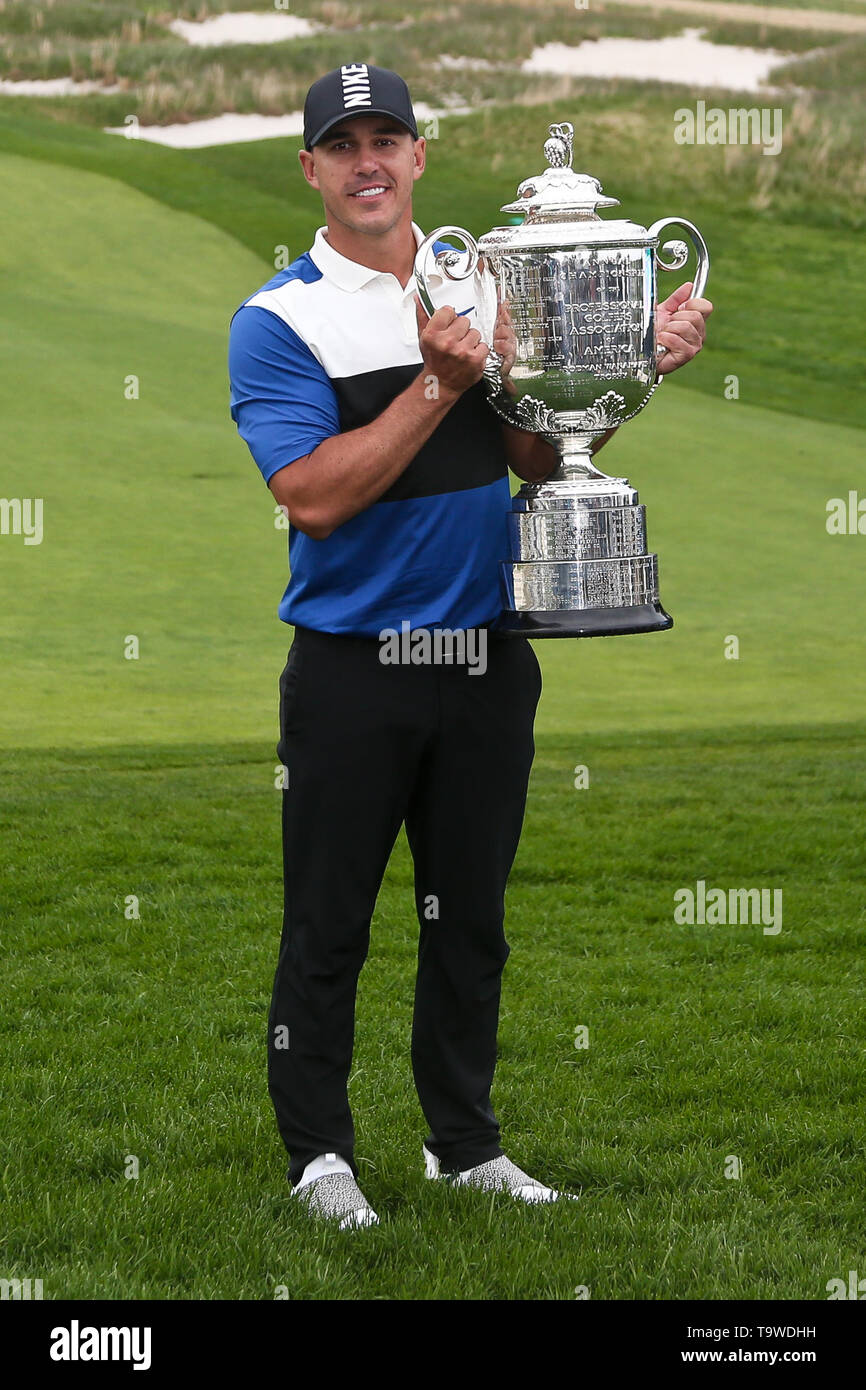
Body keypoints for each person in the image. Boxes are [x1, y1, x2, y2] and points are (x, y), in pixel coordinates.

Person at [228, 64, 713, 1230]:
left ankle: (464, 1144)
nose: (367, 162)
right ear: (310, 168)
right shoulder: (279, 318)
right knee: (329, 919)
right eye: (342, 145)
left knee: (470, 917)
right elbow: (312, 497)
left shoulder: (485, 288)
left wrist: (624, 366)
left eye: (386, 138)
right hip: (354, 663)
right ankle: (319, 1156)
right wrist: (435, 385)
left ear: (418, 156)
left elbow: (535, 457)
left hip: (489, 652)